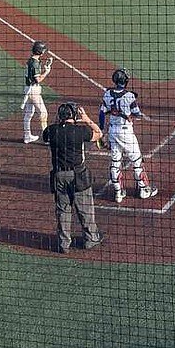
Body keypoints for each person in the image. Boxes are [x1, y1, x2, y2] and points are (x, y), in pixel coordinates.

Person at [43, 101, 104, 254]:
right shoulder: (80, 131)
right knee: (85, 208)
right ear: (74, 115)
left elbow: (45, 136)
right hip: (78, 175)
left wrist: (59, 122)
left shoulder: (51, 131)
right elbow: (99, 133)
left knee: (63, 210)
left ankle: (64, 243)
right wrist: (86, 119)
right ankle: (91, 239)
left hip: (58, 175)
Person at [98, 69, 158, 203]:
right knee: (137, 161)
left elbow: (102, 113)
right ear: (125, 81)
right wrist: (127, 114)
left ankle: (118, 193)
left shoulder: (107, 94)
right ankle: (143, 190)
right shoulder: (129, 96)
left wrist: (101, 130)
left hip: (112, 132)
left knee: (115, 162)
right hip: (126, 132)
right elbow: (136, 113)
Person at [21, 40, 52, 144]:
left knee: (28, 114)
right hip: (33, 91)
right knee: (43, 113)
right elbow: (38, 79)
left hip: (28, 89)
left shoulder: (31, 60)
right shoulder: (34, 63)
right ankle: (47, 138)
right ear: (40, 51)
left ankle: (27, 136)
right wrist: (46, 72)